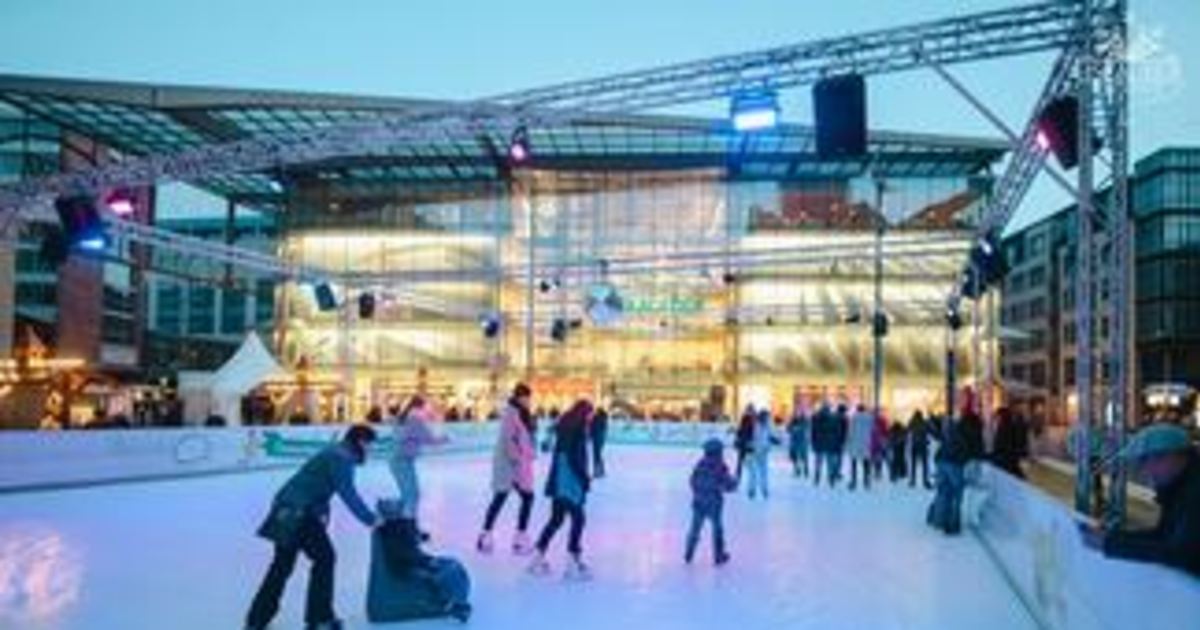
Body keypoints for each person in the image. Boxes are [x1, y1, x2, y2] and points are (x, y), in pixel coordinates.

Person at [246, 425, 380, 630]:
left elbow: (317, 484)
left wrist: (322, 513)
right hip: (298, 512)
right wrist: (371, 519)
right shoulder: (341, 458)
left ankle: (257, 620)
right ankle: (319, 618)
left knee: (282, 565)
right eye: (370, 444)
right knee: (324, 558)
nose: (370, 449)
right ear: (361, 441)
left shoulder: (335, 451)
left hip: (286, 507)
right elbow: (348, 493)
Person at [1079, 423, 1200, 577]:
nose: (1144, 472)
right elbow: (1163, 535)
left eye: (1145, 461)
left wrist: (1110, 545)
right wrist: (1112, 536)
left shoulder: (1194, 492)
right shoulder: (1179, 487)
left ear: (1171, 456)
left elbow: (1183, 553)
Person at [369, 500, 472, 623]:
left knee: (450, 567)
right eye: (392, 507)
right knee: (439, 576)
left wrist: (419, 539)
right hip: (404, 568)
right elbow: (404, 553)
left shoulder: (398, 525)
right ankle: (451, 605)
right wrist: (427, 562)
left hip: (411, 562)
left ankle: (453, 601)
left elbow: (410, 543)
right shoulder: (390, 530)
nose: (398, 509)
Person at [529, 400, 595, 580]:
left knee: (556, 519)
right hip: (570, 483)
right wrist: (584, 478)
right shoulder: (578, 430)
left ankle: (537, 557)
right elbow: (574, 459)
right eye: (590, 414)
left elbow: (561, 455)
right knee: (578, 519)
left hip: (559, 482)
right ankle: (572, 563)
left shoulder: (565, 426)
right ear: (584, 413)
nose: (591, 418)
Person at [477, 383, 538, 555]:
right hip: (510, 466)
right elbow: (508, 440)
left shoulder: (521, 413)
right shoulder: (511, 413)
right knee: (513, 497)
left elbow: (524, 437)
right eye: (526, 397)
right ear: (520, 397)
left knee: (509, 498)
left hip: (518, 465)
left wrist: (529, 453)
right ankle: (512, 538)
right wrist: (518, 459)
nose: (528, 401)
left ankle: (490, 536)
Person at [389, 396, 450, 529]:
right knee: (412, 496)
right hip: (402, 461)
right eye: (426, 406)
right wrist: (445, 438)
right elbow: (430, 439)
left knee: (410, 495)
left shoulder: (405, 417)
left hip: (401, 461)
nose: (427, 409)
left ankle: (410, 527)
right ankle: (408, 529)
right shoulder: (415, 420)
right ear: (421, 406)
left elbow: (400, 435)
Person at [685, 438, 737, 566]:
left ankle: (689, 551)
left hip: (698, 502)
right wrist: (733, 484)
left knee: (695, 528)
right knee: (717, 529)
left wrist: (698, 492)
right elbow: (728, 484)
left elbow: (692, 481)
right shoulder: (720, 466)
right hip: (714, 503)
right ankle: (718, 555)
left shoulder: (700, 464)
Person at [811, 401, 846, 487]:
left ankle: (817, 477)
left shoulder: (815, 417)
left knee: (818, 461)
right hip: (829, 443)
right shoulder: (833, 418)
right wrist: (837, 441)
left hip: (819, 443)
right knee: (829, 462)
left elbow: (813, 431)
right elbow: (836, 431)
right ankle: (831, 479)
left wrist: (813, 442)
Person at [990, 406, 1030, 479]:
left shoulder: (1003, 428)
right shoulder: (1011, 426)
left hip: (1005, 462)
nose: (996, 420)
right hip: (1010, 462)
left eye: (998, 417)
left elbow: (1000, 446)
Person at [746, 409, 779, 499]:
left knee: (763, 472)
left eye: (768, 417)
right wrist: (750, 446)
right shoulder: (755, 425)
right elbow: (750, 437)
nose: (768, 419)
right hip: (754, 452)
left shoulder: (767, 425)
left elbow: (770, 435)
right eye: (767, 417)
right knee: (753, 473)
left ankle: (764, 489)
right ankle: (752, 490)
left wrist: (775, 440)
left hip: (763, 452)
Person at [847, 404, 875, 491]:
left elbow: (850, 431)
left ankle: (853, 482)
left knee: (853, 463)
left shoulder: (853, 418)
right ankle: (866, 481)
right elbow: (872, 430)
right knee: (866, 463)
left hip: (855, 443)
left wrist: (849, 442)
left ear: (857, 409)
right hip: (866, 443)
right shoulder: (869, 418)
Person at [908, 411, 933, 489]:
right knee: (925, 465)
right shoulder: (924, 423)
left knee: (913, 464)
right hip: (923, 445)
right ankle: (925, 481)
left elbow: (907, 430)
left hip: (915, 445)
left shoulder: (912, 422)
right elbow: (931, 431)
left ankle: (912, 481)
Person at [787, 406, 811, 478]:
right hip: (794, 440)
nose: (798, 413)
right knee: (794, 456)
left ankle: (805, 469)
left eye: (800, 411)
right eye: (796, 412)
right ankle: (797, 469)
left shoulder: (805, 420)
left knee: (803, 456)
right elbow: (788, 429)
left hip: (802, 441)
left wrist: (798, 429)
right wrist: (792, 429)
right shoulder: (792, 420)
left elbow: (807, 428)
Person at [733, 406, 756, 481]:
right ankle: (740, 474)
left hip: (746, 443)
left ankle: (739, 474)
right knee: (743, 460)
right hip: (746, 443)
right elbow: (742, 430)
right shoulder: (749, 420)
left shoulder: (751, 420)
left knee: (742, 460)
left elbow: (740, 430)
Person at [590, 406, 610, 478]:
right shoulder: (603, 419)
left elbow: (593, 427)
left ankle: (598, 471)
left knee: (596, 455)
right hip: (599, 438)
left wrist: (590, 434)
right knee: (598, 454)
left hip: (597, 437)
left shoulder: (597, 418)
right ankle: (600, 470)